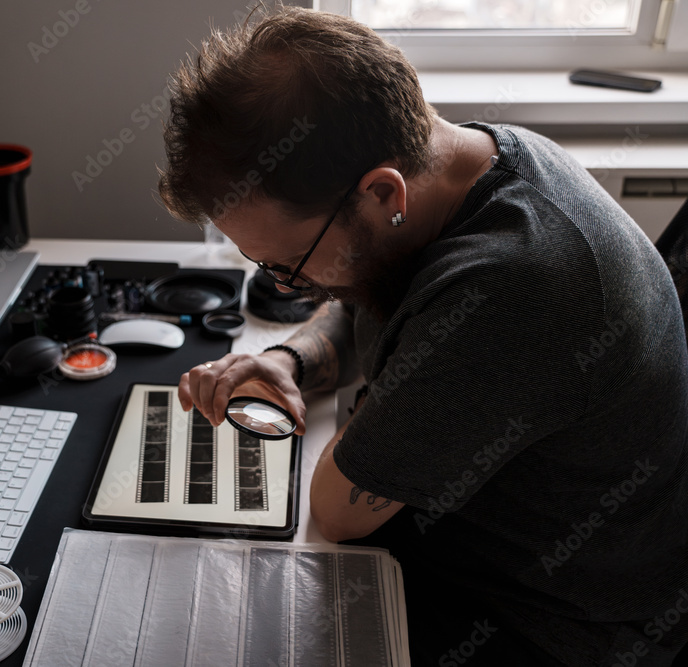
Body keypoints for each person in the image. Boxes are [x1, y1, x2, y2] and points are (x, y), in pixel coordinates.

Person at [160, 7, 688, 667]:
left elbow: (338, 508)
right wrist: (291, 356)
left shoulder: (515, 288)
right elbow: (373, 285)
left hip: (551, 624)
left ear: (384, 193)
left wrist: (382, 413)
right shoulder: (470, 163)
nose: (289, 288)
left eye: (288, 263)